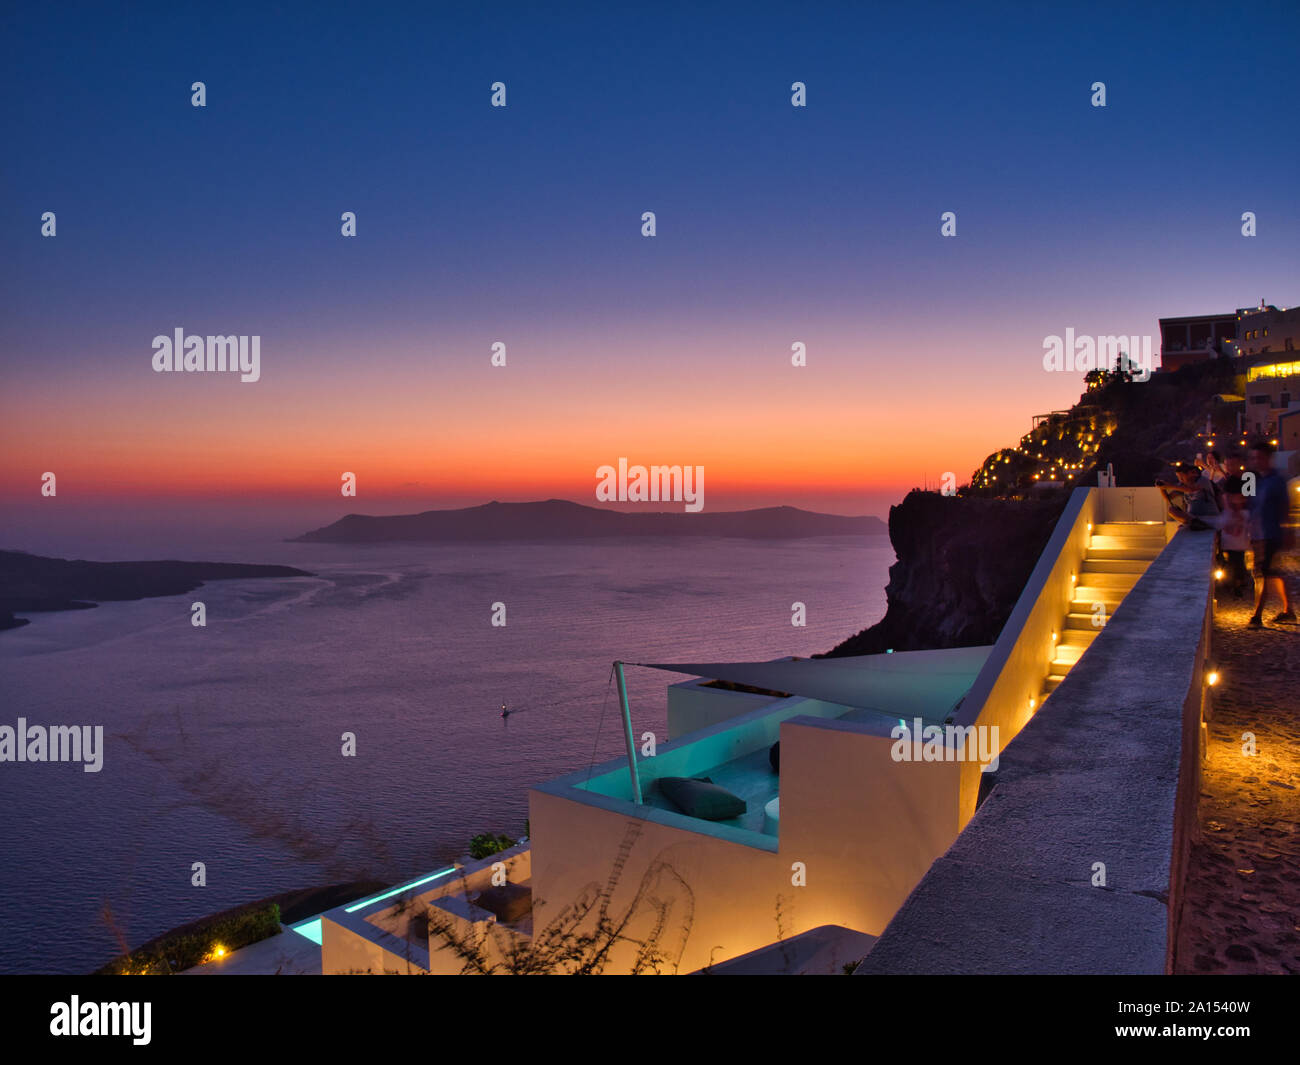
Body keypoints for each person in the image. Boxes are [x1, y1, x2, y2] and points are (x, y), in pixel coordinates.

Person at [1245, 439, 1295, 627]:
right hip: (1256, 533)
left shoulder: (1277, 480)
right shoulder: (1250, 478)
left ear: (1268, 458)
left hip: (1271, 533)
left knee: (1263, 574)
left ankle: (1257, 616)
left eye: (1259, 458)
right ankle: (1288, 610)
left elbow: (1285, 507)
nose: (1255, 461)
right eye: (1252, 458)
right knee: (1274, 572)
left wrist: (1288, 532)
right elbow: (1244, 503)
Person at [1212, 475, 1252, 598]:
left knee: (1235, 562)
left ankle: (1236, 585)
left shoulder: (1233, 506)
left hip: (1235, 541)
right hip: (1235, 542)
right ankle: (1236, 585)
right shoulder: (1237, 506)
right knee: (1236, 562)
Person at [1157, 461, 1219, 529]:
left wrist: (1170, 486)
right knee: (1171, 510)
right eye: (1178, 477)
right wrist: (1162, 488)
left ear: (1189, 474)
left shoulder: (1203, 481)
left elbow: (1191, 489)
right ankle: (1192, 523)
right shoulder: (1182, 486)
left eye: (1181, 477)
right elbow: (1168, 498)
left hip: (1208, 516)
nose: (1180, 480)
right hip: (1193, 517)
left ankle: (1198, 524)